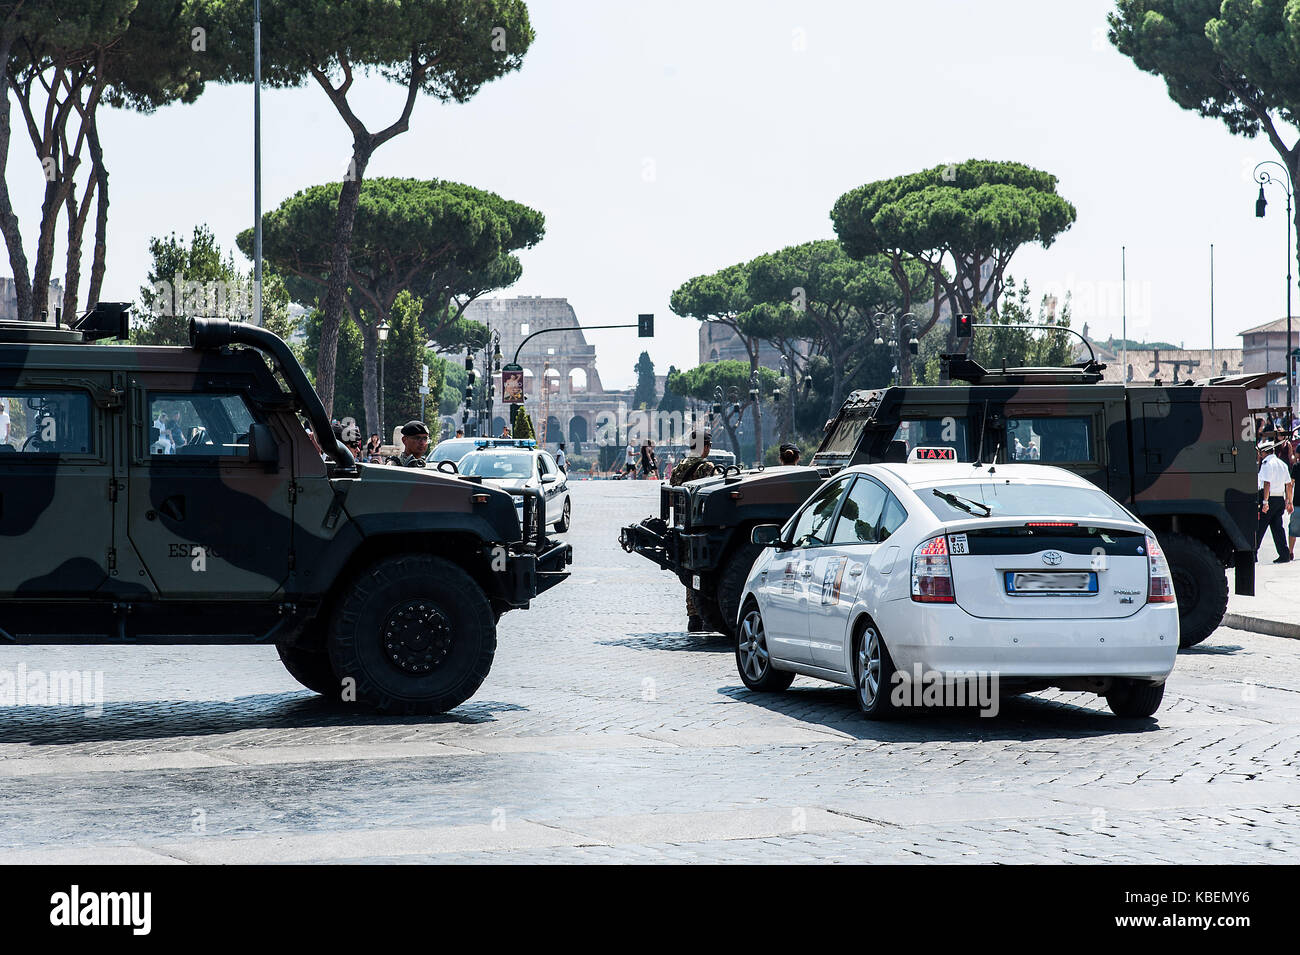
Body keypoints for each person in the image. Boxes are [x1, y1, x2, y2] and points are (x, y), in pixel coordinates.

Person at [670, 431, 719, 632]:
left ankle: (693, 615)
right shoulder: (707, 467)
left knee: (688, 570)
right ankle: (707, 614)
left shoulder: (679, 466)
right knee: (706, 570)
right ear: (705, 446)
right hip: (702, 523)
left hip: (683, 523)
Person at [1256, 439, 1292, 563]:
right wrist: (1289, 501)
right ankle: (1284, 554)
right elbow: (1288, 485)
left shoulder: (1267, 463)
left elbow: (1267, 483)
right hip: (1279, 499)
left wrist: (1265, 502)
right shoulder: (1282, 464)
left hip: (1268, 498)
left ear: (1264, 453)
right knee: (1277, 528)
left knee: (1260, 527)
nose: (1260, 455)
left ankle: (1253, 554)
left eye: (1261, 453)